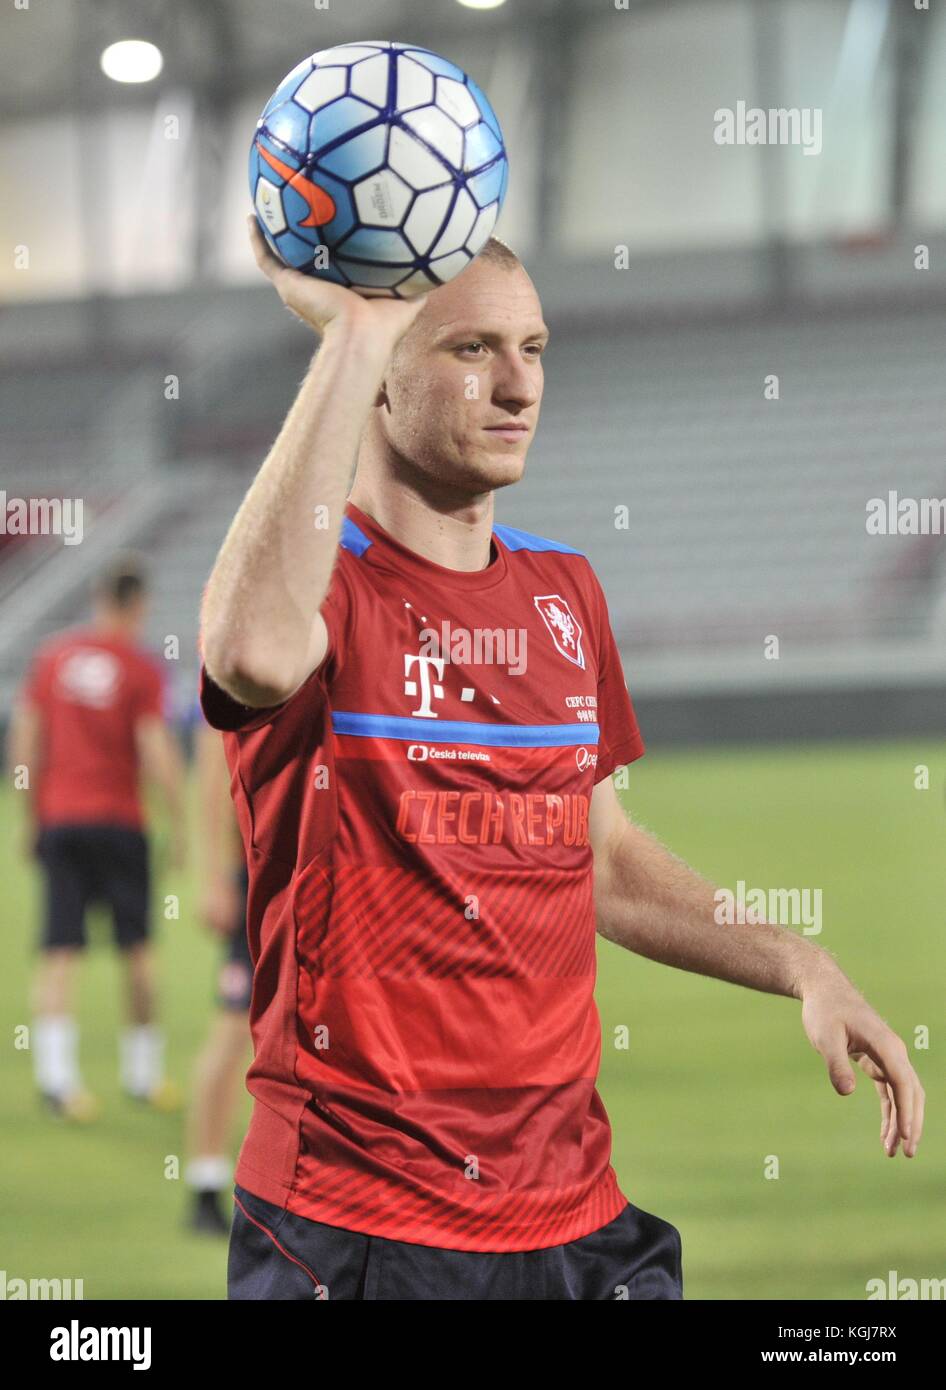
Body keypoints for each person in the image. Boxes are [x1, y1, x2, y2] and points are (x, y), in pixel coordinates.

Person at [197, 219, 924, 1300]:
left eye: (532, 348)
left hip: (575, 1222)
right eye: (469, 349)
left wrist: (801, 964)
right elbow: (247, 653)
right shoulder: (324, 594)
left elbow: (607, 860)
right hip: (361, 1232)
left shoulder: (564, 594)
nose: (516, 385)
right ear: (382, 385)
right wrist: (349, 334)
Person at [8, 553, 185, 1120]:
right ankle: (144, 1073)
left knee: (60, 949)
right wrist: (178, 819)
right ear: (138, 604)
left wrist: (29, 813)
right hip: (118, 821)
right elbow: (155, 748)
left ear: (98, 599)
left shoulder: (51, 657)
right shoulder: (139, 667)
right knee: (138, 950)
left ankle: (57, 1079)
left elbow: (25, 742)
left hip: (61, 819)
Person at [184, 711, 253, 1234]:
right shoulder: (236, 674)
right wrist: (215, 879)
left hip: (323, 881)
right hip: (256, 882)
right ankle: (205, 1183)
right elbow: (213, 783)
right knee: (232, 1032)